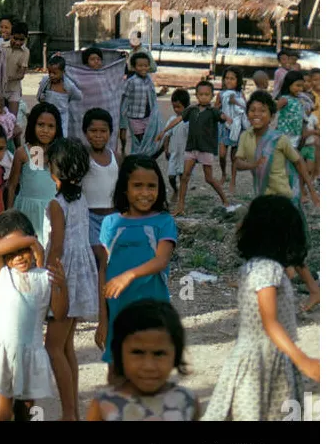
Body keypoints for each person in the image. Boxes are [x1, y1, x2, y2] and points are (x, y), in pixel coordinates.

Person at [205, 196, 320, 420]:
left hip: (269, 357)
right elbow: (270, 322)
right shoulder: (266, 271)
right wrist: (302, 360)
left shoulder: (262, 267)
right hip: (261, 363)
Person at [0, 209, 64, 422]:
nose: (19, 256)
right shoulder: (0, 273)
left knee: (26, 413)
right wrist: (31, 240)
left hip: (29, 354)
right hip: (0, 354)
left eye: (23, 249)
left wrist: (62, 287)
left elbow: (59, 313)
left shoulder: (44, 278)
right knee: (1, 416)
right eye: (12, 251)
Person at [233, 89, 320, 309]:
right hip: (263, 201)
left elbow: (299, 162)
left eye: (262, 110)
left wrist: (311, 191)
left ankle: (311, 289)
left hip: (282, 201)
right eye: (252, 110)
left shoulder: (279, 139)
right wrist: (252, 165)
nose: (256, 114)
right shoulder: (246, 136)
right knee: (255, 238)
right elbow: (238, 162)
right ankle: (270, 282)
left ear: (271, 116)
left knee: (287, 248)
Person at [97, 156, 177, 372]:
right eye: (138, 186)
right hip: (118, 312)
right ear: (125, 188)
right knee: (116, 371)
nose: (145, 192)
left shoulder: (164, 222)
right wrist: (103, 319)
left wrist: (128, 275)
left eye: (151, 186)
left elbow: (161, 260)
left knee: (150, 371)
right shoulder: (110, 223)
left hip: (153, 311)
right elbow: (103, 270)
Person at [45, 138, 100, 419]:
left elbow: (56, 248)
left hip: (62, 276)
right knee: (66, 346)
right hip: (79, 273)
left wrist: (52, 284)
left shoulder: (56, 204)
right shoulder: (80, 200)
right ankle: (72, 412)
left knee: (53, 346)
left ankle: (69, 414)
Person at [86, 300, 199, 421]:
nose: (148, 366)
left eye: (159, 353)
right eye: (137, 352)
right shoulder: (104, 406)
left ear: (176, 355)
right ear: (119, 354)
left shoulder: (187, 402)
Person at [164, 79, 232, 216]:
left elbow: (222, 116)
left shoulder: (212, 111)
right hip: (191, 149)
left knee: (209, 178)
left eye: (207, 95)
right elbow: (178, 119)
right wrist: (163, 131)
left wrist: (228, 119)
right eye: (201, 94)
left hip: (205, 149)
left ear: (212, 96)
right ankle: (180, 206)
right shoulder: (192, 110)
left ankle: (225, 200)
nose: (204, 97)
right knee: (184, 177)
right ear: (196, 95)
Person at [6, 102, 61, 247]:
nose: (45, 130)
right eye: (40, 125)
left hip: (52, 212)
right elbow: (12, 186)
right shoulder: (22, 153)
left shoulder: (61, 154)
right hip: (26, 211)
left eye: (51, 127)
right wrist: (10, 214)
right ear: (32, 125)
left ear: (57, 129)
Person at [82, 107, 119, 261]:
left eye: (103, 131)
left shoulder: (116, 157)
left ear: (110, 132)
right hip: (89, 217)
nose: (98, 135)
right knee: (98, 255)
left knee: (111, 256)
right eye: (93, 131)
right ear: (85, 132)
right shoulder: (83, 156)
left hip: (112, 216)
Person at [216, 67, 247, 193]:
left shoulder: (240, 95)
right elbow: (215, 110)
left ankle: (233, 179)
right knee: (222, 155)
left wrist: (235, 102)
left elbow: (246, 107)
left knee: (234, 156)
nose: (229, 81)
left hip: (236, 127)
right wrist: (218, 109)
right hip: (224, 127)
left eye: (232, 79)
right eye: (227, 78)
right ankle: (224, 174)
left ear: (238, 81)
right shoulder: (221, 94)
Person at [36, 55, 82, 137]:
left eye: (55, 73)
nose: (51, 75)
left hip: (62, 119)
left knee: (61, 139)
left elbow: (78, 96)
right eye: (50, 72)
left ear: (63, 72)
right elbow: (39, 97)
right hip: (46, 116)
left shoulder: (68, 86)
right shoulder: (45, 82)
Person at [160, 90, 190, 202]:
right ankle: (175, 190)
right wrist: (166, 149)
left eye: (179, 107)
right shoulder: (172, 120)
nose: (176, 110)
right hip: (174, 153)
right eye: (174, 107)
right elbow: (167, 135)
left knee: (183, 176)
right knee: (171, 176)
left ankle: (181, 197)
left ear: (186, 106)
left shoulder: (190, 121)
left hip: (185, 154)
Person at [4, 22, 30, 116]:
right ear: (11, 36)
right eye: (15, 38)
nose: (18, 42)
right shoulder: (1, 47)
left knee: (12, 119)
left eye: (21, 39)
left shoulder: (25, 52)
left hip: (14, 89)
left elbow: (21, 74)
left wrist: (8, 78)